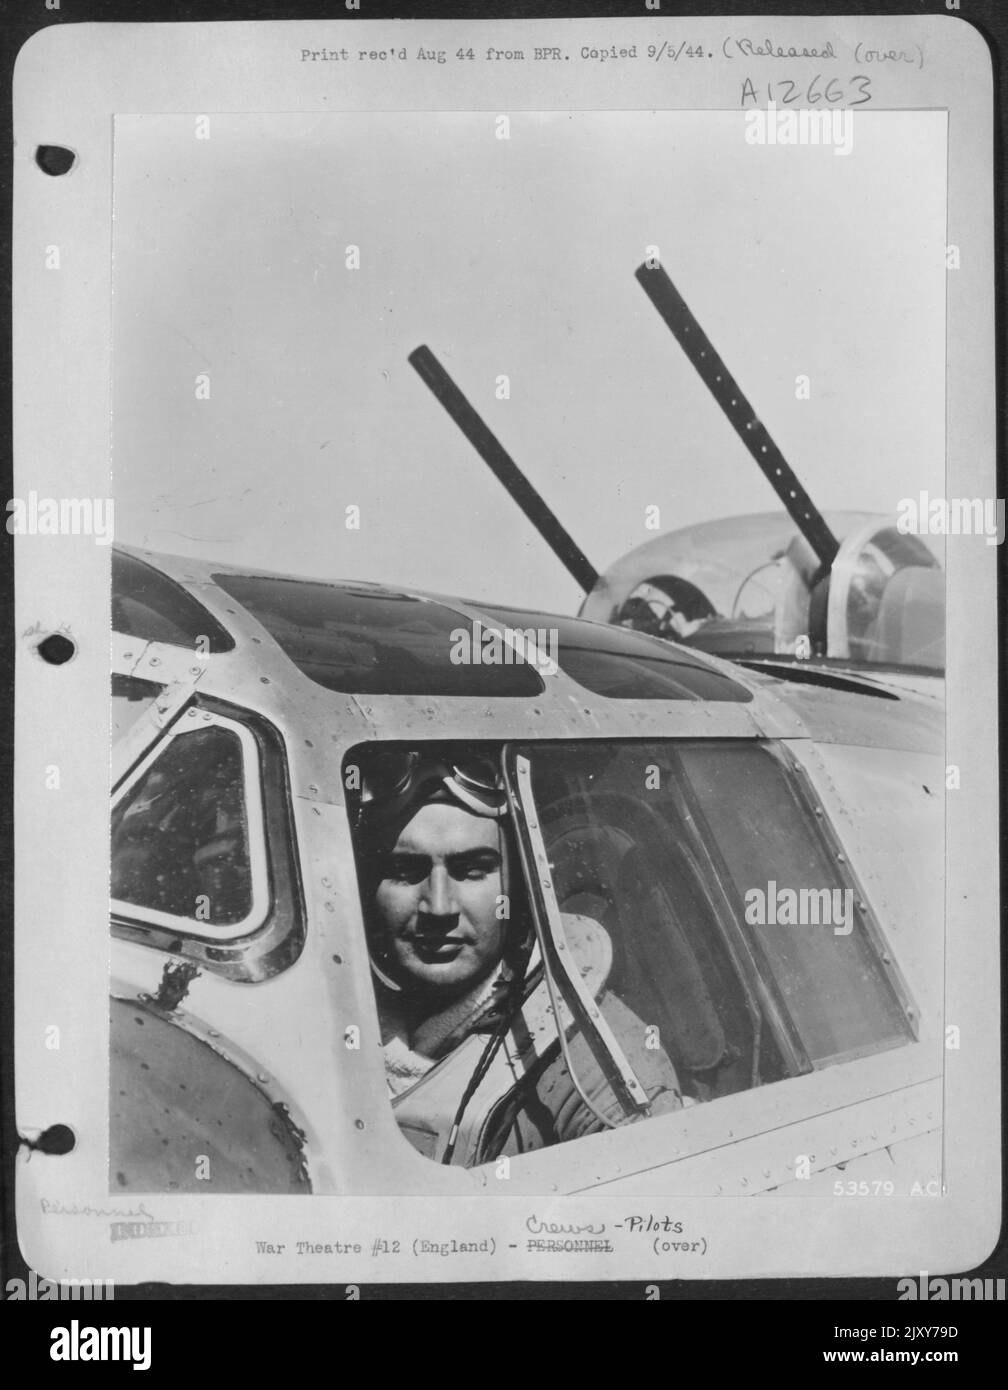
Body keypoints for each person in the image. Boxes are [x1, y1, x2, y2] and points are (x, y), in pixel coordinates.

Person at [353, 749, 687, 1165]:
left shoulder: (602, 1081)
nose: (438, 908)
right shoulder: (337, 1012)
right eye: (405, 871)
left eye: (472, 870)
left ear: (520, 886)